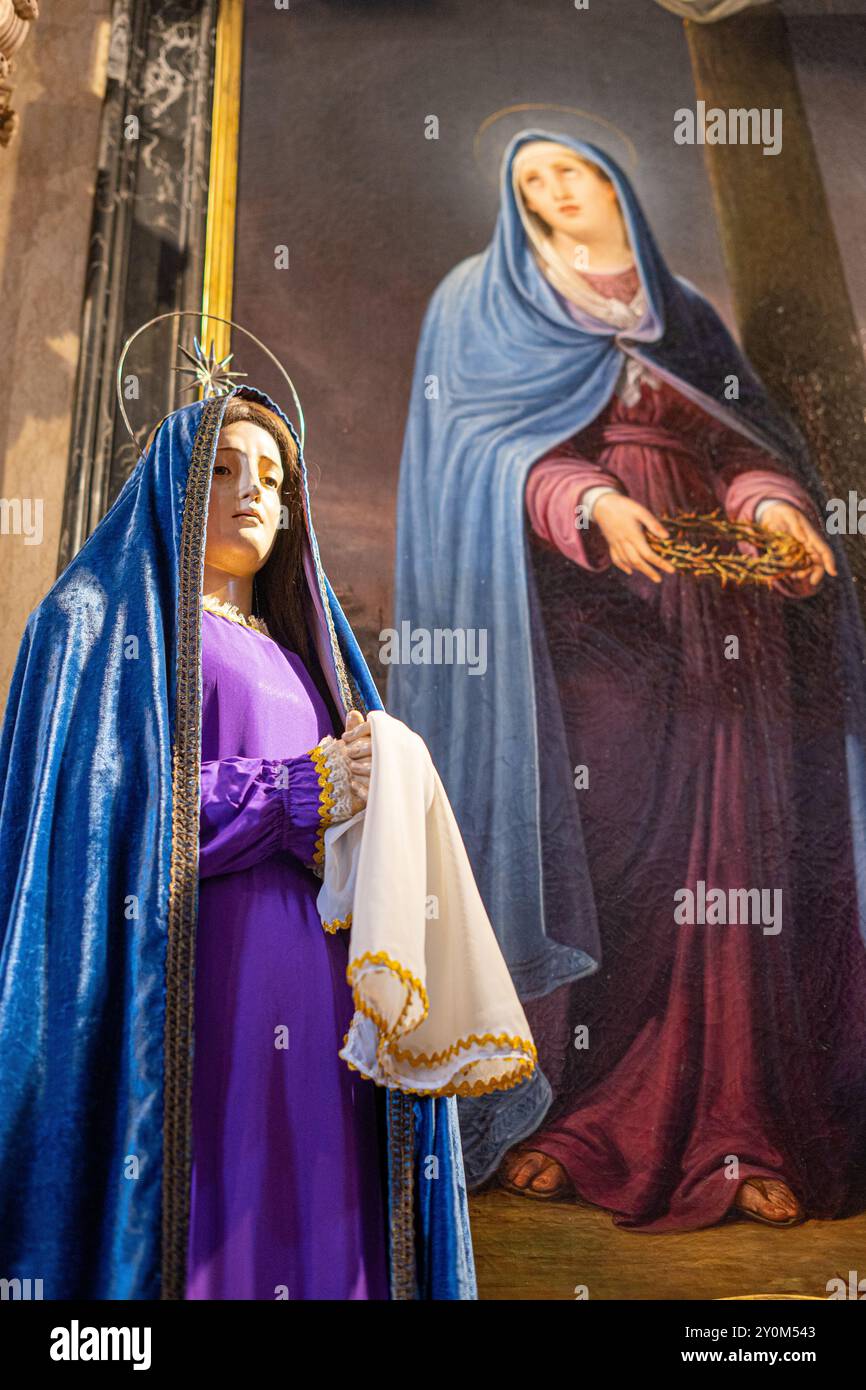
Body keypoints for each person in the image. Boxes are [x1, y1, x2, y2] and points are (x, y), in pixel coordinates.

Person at [388, 131, 866, 1232]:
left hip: (721, 625)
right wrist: (586, 500)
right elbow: (470, 444)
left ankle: (741, 1128)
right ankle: (572, 1110)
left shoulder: (678, 307)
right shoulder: (483, 298)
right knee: (605, 858)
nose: (556, 190)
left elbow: (744, 438)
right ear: (517, 203)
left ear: (611, 180)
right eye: (531, 179)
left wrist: (774, 508)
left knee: (736, 859)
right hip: (584, 630)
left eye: (574, 170)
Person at [0, 382, 478, 1298]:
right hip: (201, 989)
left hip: (323, 998)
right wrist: (302, 788)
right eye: (220, 469)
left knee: (315, 1210)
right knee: (219, 1205)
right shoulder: (100, 630)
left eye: (273, 476)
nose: (252, 491)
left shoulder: (311, 658)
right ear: (171, 483)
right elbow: (107, 810)